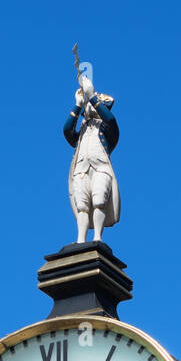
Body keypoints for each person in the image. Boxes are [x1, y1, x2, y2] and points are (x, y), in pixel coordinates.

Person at [63, 75, 120, 243]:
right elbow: (67, 130)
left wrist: (92, 96)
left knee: (99, 200)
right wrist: (78, 105)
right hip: (81, 169)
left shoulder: (107, 128)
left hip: (100, 168)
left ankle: (97, 238)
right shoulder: (82, 131)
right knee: (82, 206)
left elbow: (109, 118)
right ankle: (80, 239)